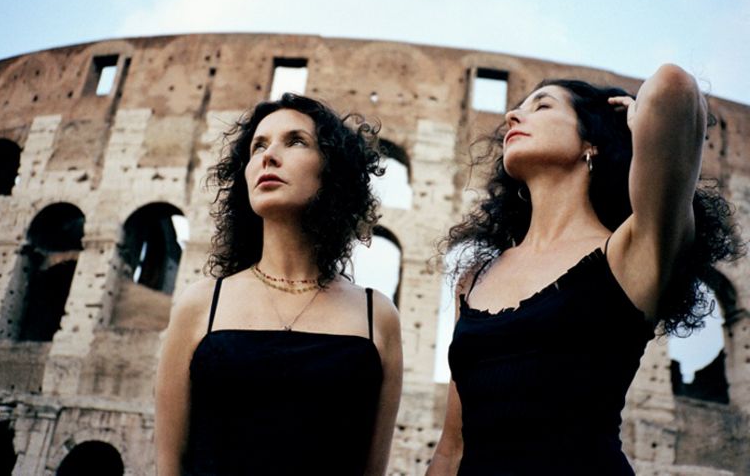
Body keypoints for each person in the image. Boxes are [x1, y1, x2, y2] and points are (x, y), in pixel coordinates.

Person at [427, 65, 742, 475]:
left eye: (541, 106)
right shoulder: (475, 278)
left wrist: (637, 121)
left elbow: (674, 87)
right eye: (516, 109)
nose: (512, 117)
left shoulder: (632, 253)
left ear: (590, 141)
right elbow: (452, 448)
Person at [155, 93, 402, 476]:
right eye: (258, 146)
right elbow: (169, 468)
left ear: (331, 169)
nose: (268, 156)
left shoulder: (377, 315)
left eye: (296, 141)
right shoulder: (201, 304)